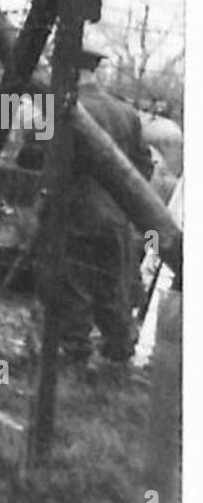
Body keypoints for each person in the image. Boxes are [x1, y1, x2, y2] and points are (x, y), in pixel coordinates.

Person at [53, 50, 155, 366]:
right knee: (114, 288)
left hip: (74, 215)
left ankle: (75, 359)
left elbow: (38, 160)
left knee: (74, 288)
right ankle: (118, 360)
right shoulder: (126, 113)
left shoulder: (61, 109)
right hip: (118, 219)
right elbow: (144, 167)